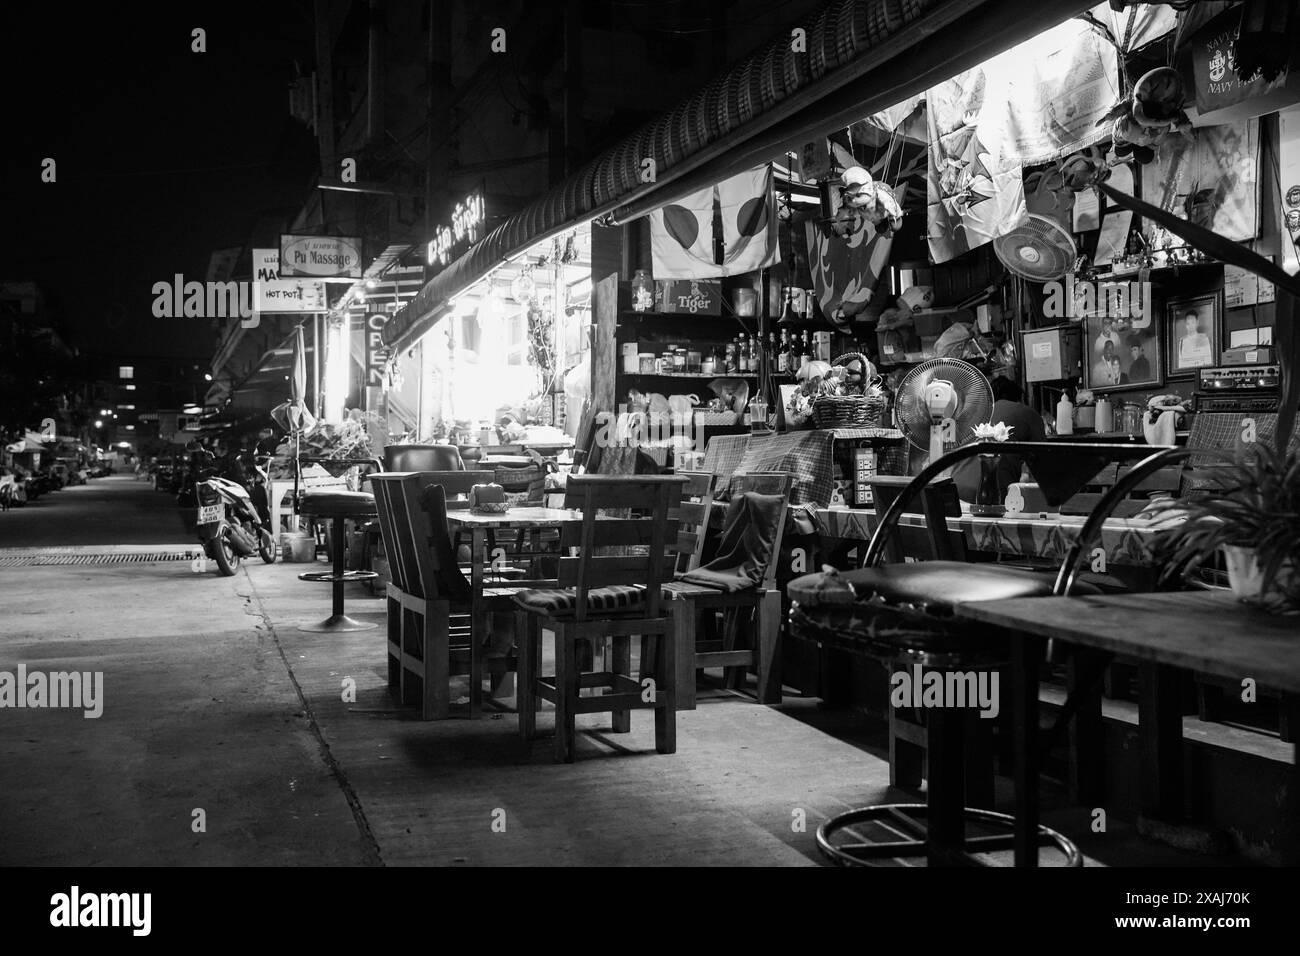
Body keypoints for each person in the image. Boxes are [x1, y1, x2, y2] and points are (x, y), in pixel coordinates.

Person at [952, 376, 1046, 503]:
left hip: (955, 491)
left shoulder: (973, 413)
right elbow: (1043, 461)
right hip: (993, 494)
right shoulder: (1027, 413)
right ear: (1018, 399)